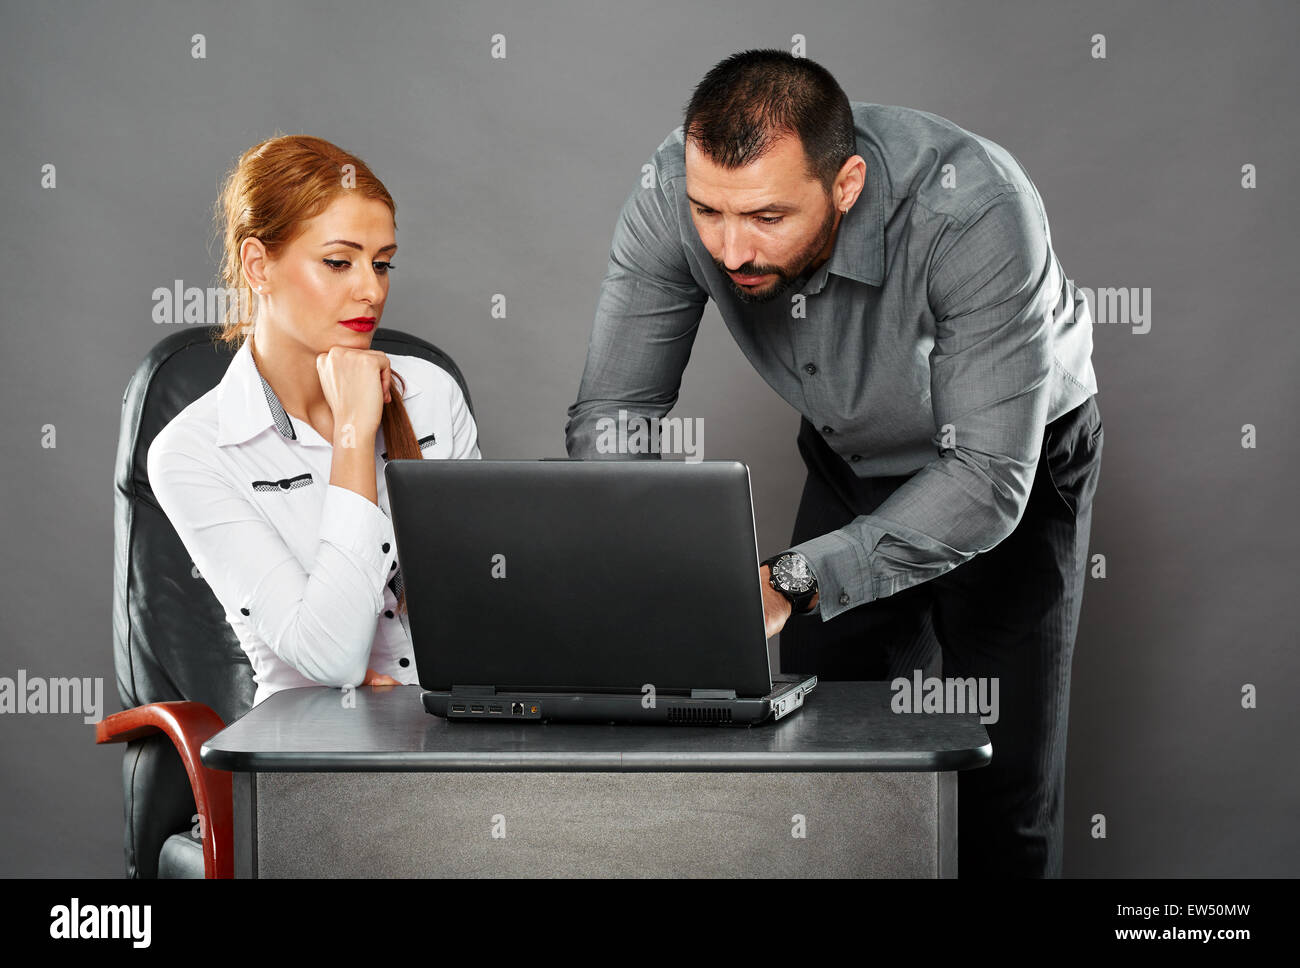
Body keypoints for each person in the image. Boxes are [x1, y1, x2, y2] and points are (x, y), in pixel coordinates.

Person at [564, 50, 1102, 877]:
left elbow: (985, 479)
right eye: (710, 213)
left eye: (768, 218)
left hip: (1009, 463)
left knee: (1002, 782)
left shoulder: (980, 206)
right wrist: (634, 561)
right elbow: (615, 415)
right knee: (823, 759)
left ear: (846, 185)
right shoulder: (673, 186)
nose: (732, 249)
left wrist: (787, 582)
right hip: (851, 453)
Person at [148, 135, 480, 706]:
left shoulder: (431, 393)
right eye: (338, 262)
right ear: (258, 265)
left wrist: (408, 698)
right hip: (309, 761)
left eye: (382, 265)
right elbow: (330, 657)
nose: (371, 290)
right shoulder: (191, 453)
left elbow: (482, 608)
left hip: (447, 728)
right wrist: (354, 431)